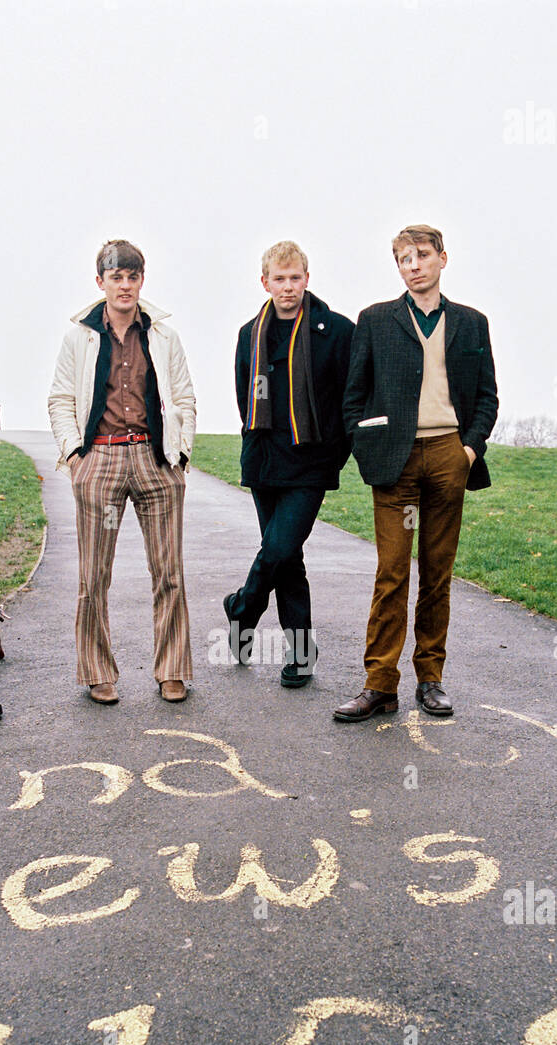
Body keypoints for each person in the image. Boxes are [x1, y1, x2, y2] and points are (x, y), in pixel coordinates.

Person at [334, 224, 499, 723]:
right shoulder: (377, 320)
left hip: (449, 455)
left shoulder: (471, 323)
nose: (413, 265)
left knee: (437, 572)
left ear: (442, 259)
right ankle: (380, 685)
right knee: (392, 572)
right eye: (404, 259)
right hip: (395, 461)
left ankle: (431, 680)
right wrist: (367, 446)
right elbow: (354, 396)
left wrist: (469, 448)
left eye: (422, 256)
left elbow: (488, 395)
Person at [48, 239, 197, 704]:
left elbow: (186, 399)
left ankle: (171, 670)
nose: (126, 285)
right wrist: (76, 456)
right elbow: (60, 400)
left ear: (141, 280)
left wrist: (181, 454)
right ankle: (97, 672)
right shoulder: (80, 336)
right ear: (101, 283)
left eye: (133, 276)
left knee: (169, 572)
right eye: (117, 277)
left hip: (155, 459)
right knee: (94, 576)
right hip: (102, 459)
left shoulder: (163, 334)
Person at [223, 240, 353, 686]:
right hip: (264, 460)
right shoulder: (250, 334)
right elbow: (245, 397)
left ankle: (242, 607)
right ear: (265, 282)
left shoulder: (335, 330)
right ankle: (301, 653)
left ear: (307, 278)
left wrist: (338, 451)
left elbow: (347, 397)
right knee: (287, 556)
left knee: (278, 549)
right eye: (279, 279)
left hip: (311, 462)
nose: (288, 287)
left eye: (295, 277)